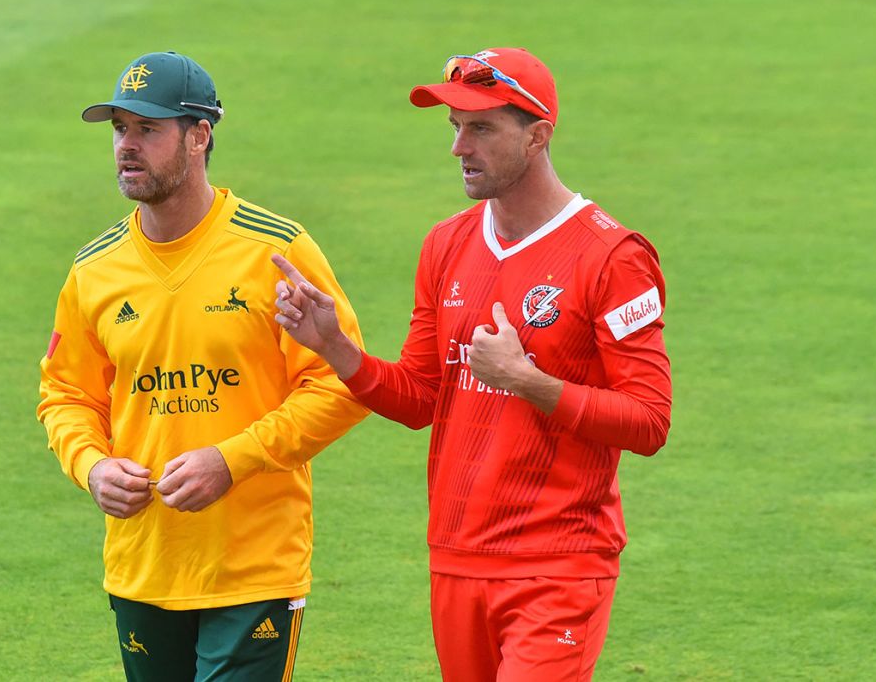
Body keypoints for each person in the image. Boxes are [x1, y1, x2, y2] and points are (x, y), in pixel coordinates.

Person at [271, 47, 672, 681]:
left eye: (481, 128)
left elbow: (649, 421)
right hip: (457, 559)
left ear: (538, 135)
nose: (459, 148)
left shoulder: (613, 257)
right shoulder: (446, 244)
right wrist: (339, 351)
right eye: (455, 127)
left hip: (558, 563)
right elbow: (423, 398)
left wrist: (527, 381)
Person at [37, 50, 367, 682]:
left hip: (252, 568)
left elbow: (340, 383)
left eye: (148, 129)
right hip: (143, 565)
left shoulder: (275, 251)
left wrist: (231, 459)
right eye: (119, 129)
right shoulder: (94, 269)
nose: (126, 147)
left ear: (200, 136)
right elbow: (66, 394)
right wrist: (92, 465)